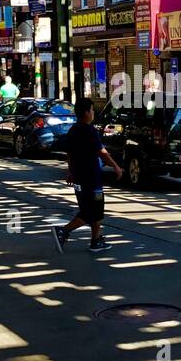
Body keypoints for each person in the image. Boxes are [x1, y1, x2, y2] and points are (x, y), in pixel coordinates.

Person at [53, 97, 122, 253]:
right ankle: (64, 231)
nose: (93, 113)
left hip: (78, 176)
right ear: (86, 112)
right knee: (93, 210)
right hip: (91, 176)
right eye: (91, 110)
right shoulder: (89, 130)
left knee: (90, 208)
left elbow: (69, 154)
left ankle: (96, 240)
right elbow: (102, 152)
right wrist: (116, 167)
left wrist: (71, 171)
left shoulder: (73, 130)